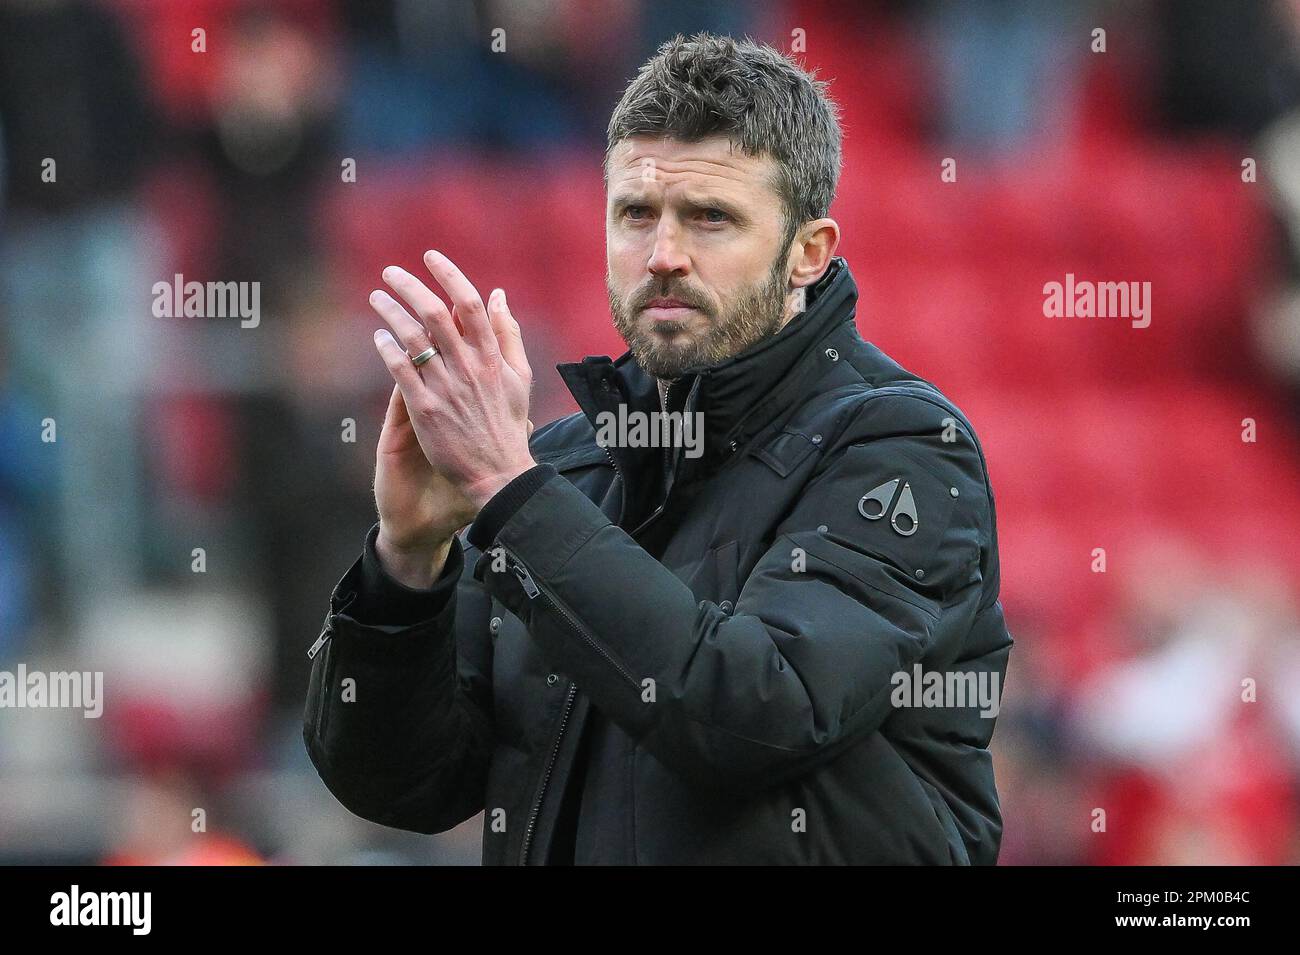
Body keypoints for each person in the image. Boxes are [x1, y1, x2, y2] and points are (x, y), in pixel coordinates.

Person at [303, 33, 1013, 865]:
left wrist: (511, 491)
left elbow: (753, 713)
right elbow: (409, 785)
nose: (665, 255)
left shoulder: (904, 448)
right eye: (636, 214)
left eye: (711, 218)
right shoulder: (565, 467)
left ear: (809, 253)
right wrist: (407, 568)